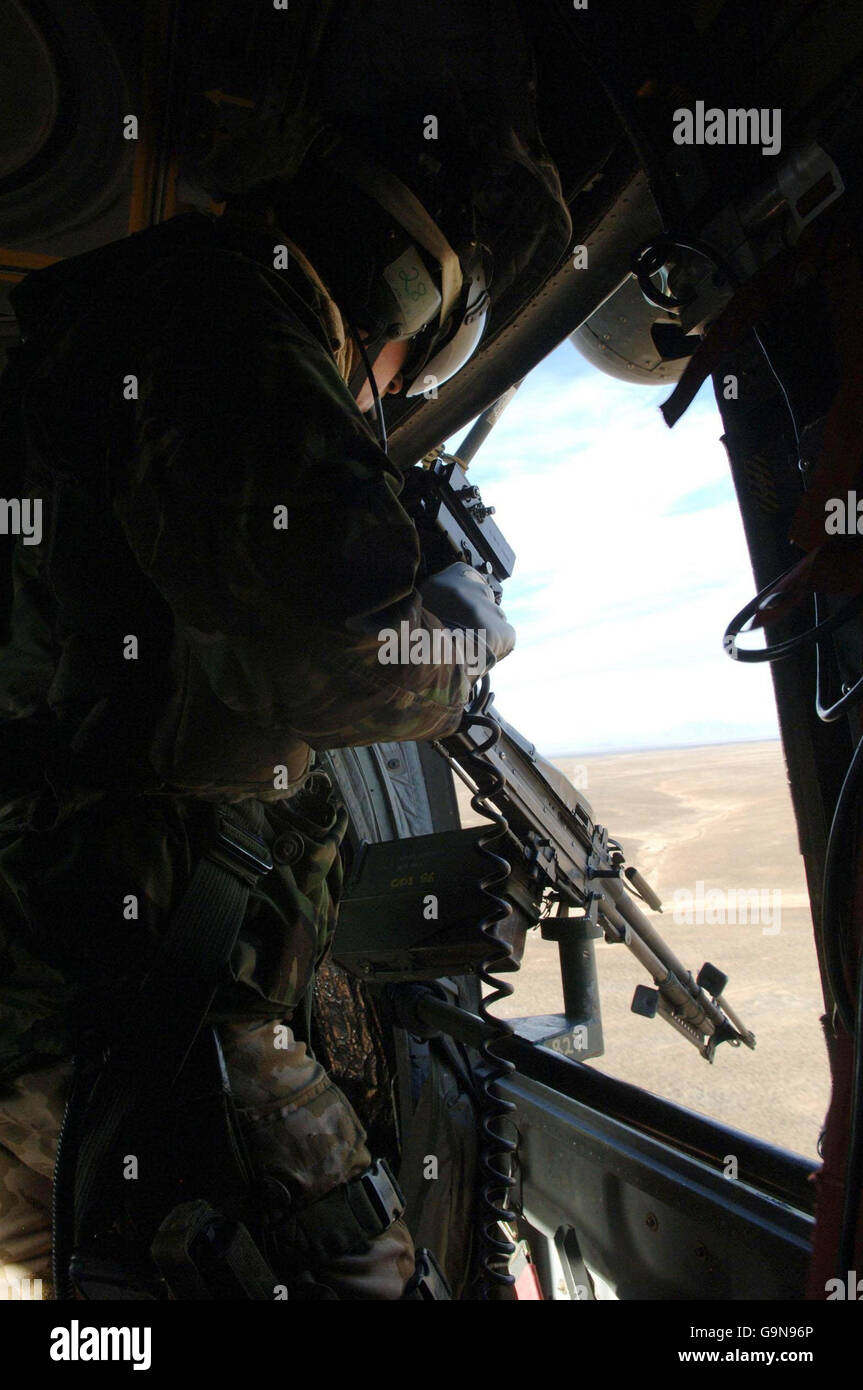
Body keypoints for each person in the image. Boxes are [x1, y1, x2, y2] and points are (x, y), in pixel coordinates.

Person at [0, 0, 570, 1300]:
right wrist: (465, 601)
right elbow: (364, 652)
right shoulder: (224, 310)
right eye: (385, 369)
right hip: (145, 1015)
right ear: (407, 288)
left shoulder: (77, 356)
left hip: (48, 1018)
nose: (375, 393)